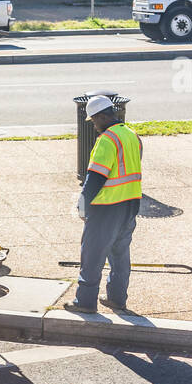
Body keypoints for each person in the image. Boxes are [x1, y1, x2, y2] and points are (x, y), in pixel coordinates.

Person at [65, 94, 143, 313]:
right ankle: (117, 299)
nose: (95, 127)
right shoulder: (132, 135)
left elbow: (96, 177)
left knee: (92, 254)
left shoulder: (107, 140)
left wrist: (83, 203)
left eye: (95, 121)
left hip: (107, 208)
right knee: (120, 256)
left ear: (101, 116)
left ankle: (85, 301)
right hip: (130, 204)